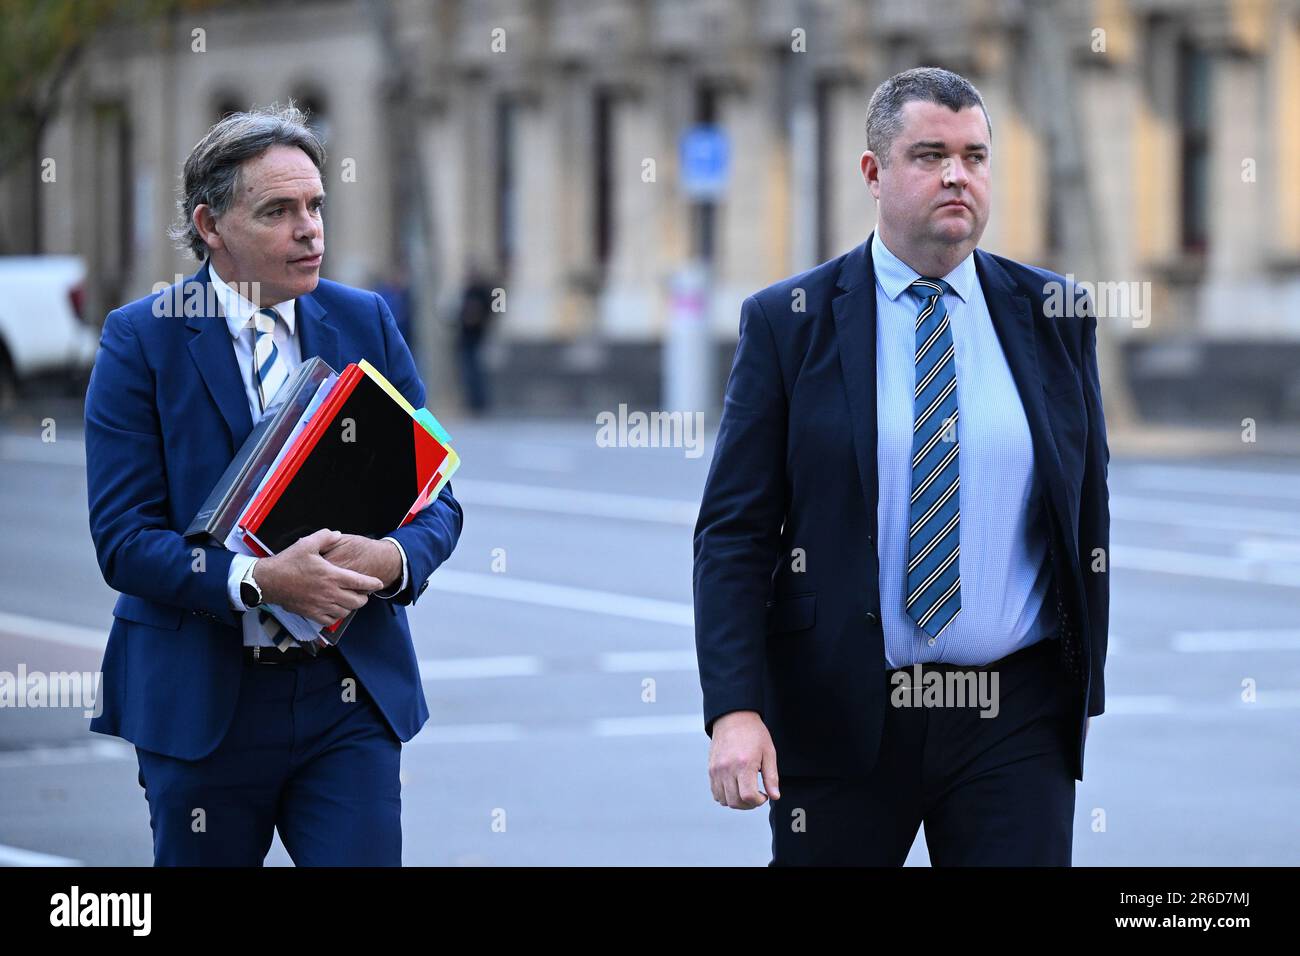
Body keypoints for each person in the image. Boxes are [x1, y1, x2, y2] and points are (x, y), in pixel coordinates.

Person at [693, 67, 1109, 865]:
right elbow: (734, 534)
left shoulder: (1055, 315)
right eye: (930, 155)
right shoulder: (789, 323)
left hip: (1010, 712)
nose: (958, 175)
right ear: (874, 173)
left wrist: (1075, 696)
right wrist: (734, 710)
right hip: (840, 710)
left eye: (975, 157)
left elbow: (1086, 510)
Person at [84, 105, 463, 866]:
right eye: (279, 210)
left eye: (316, 206)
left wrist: (390, 561)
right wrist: (262, 580)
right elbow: (125, 542)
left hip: (347, 698)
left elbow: (438, 496)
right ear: (211, 224)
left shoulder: (366, 321)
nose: (310, 229)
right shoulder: (143, 338)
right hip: (204, 705)